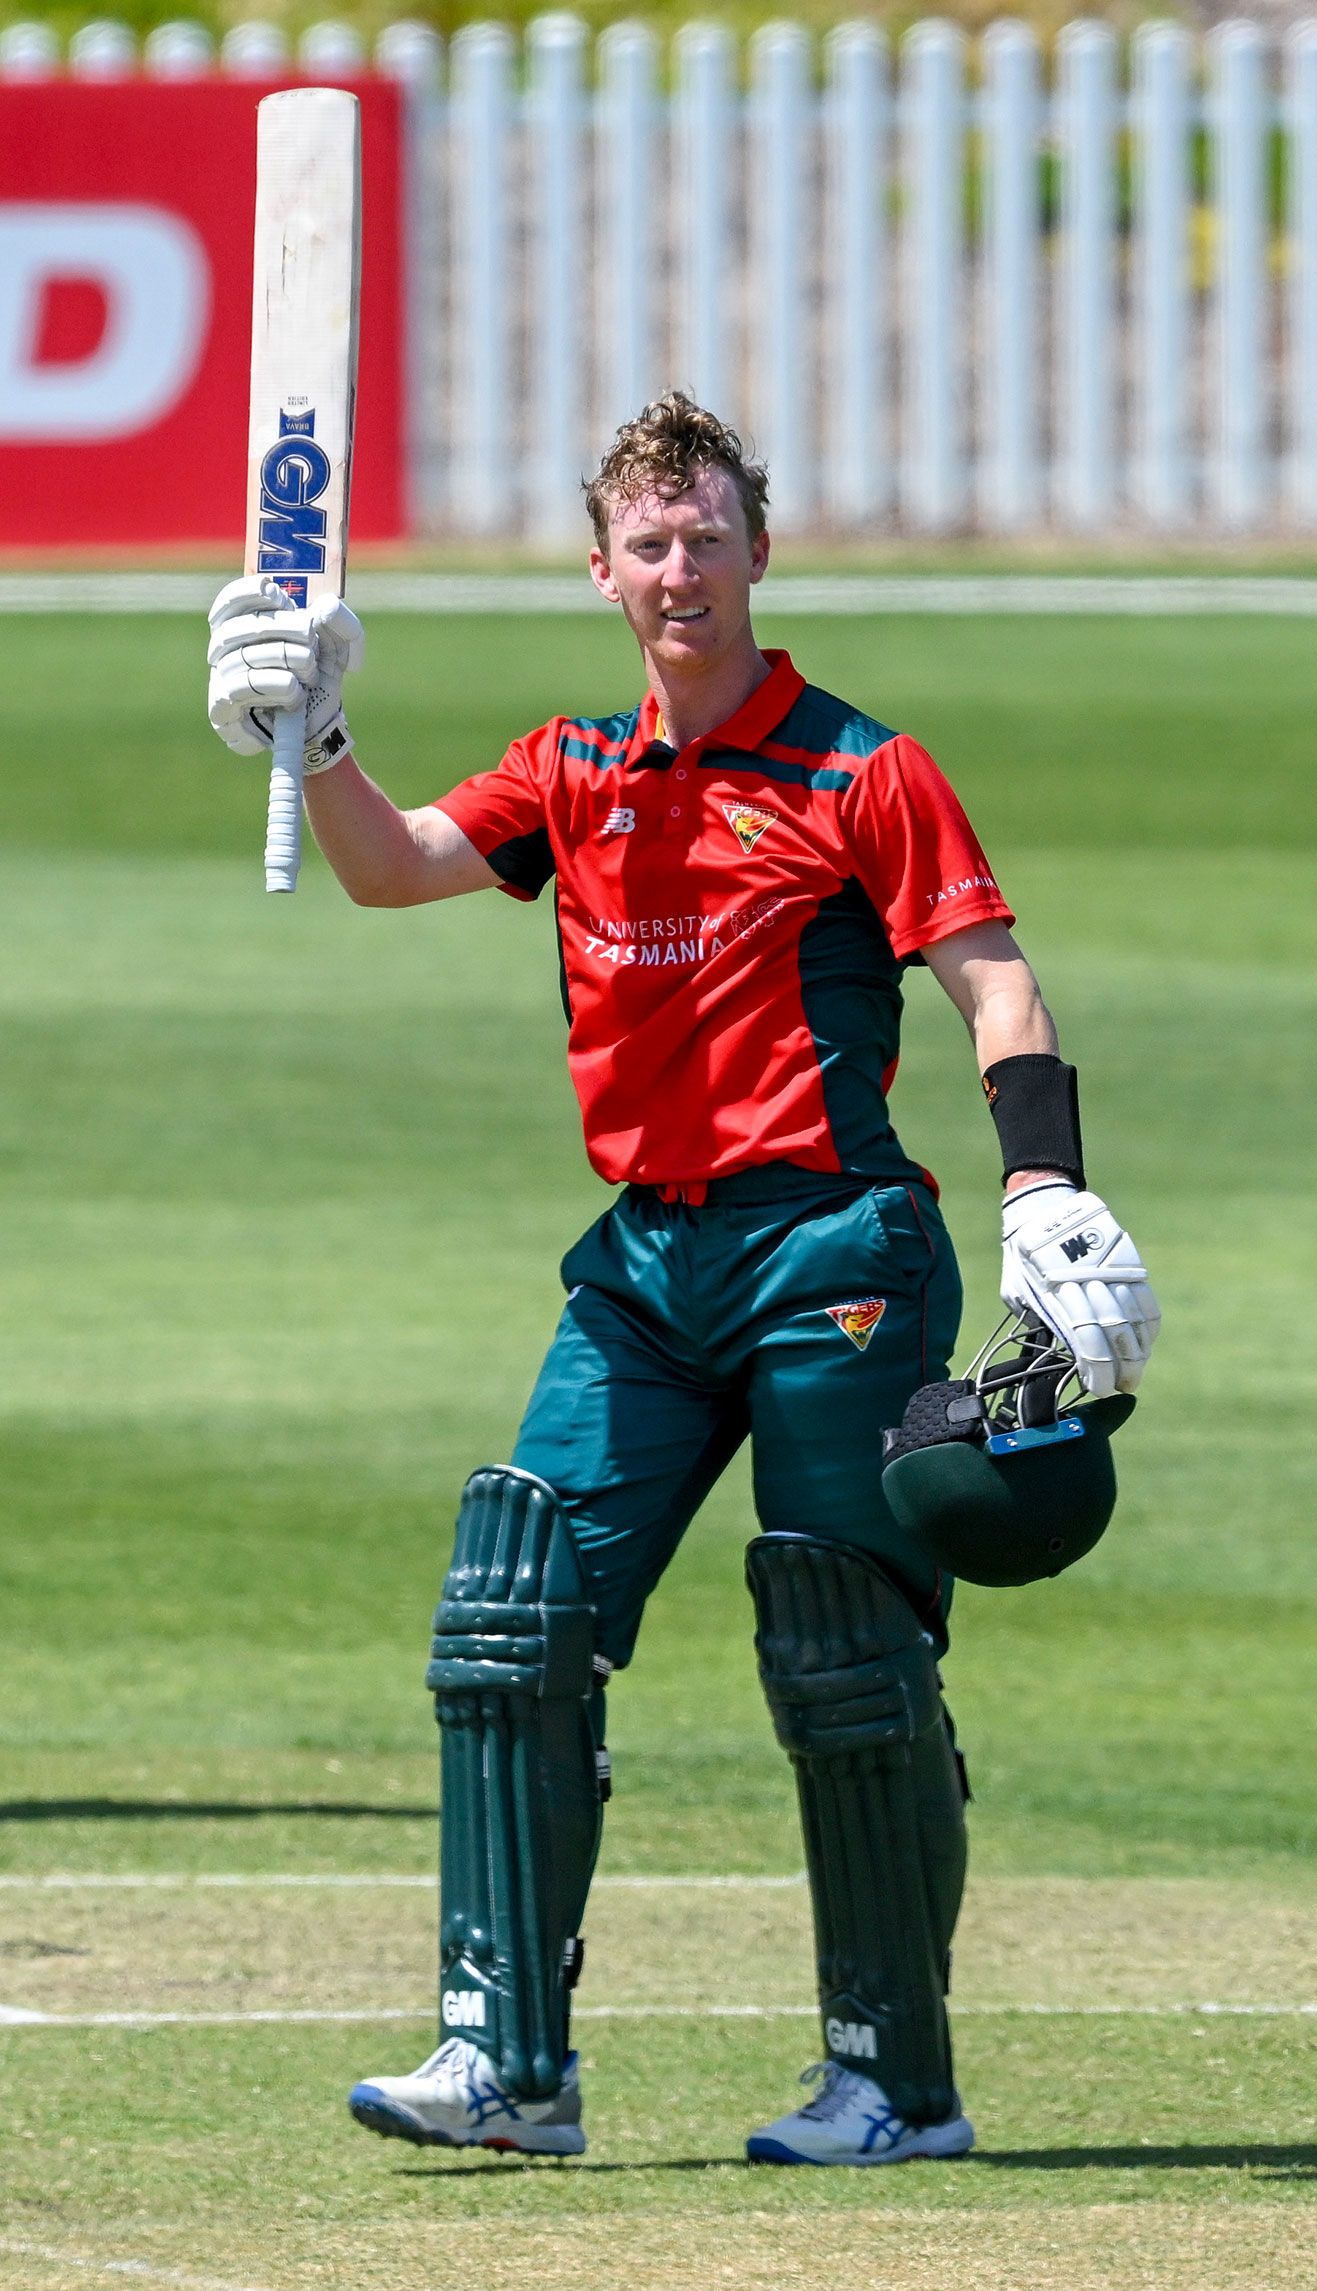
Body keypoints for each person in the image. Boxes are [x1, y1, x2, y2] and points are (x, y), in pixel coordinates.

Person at [206, 394, 1158, 2167]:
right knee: (513, 1612)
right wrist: (315, 731)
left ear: (757, 554)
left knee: (839, 1638)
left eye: (706, 536)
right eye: (647, 543)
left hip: (833, 1246)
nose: (679, 571)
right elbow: (391, 870)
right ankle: (507, 2066)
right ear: (603, 571)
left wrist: (1047, 1190)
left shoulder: (858, 764)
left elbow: (996, 986)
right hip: (646, 1261)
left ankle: (893, 2082)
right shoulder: (570, 769)